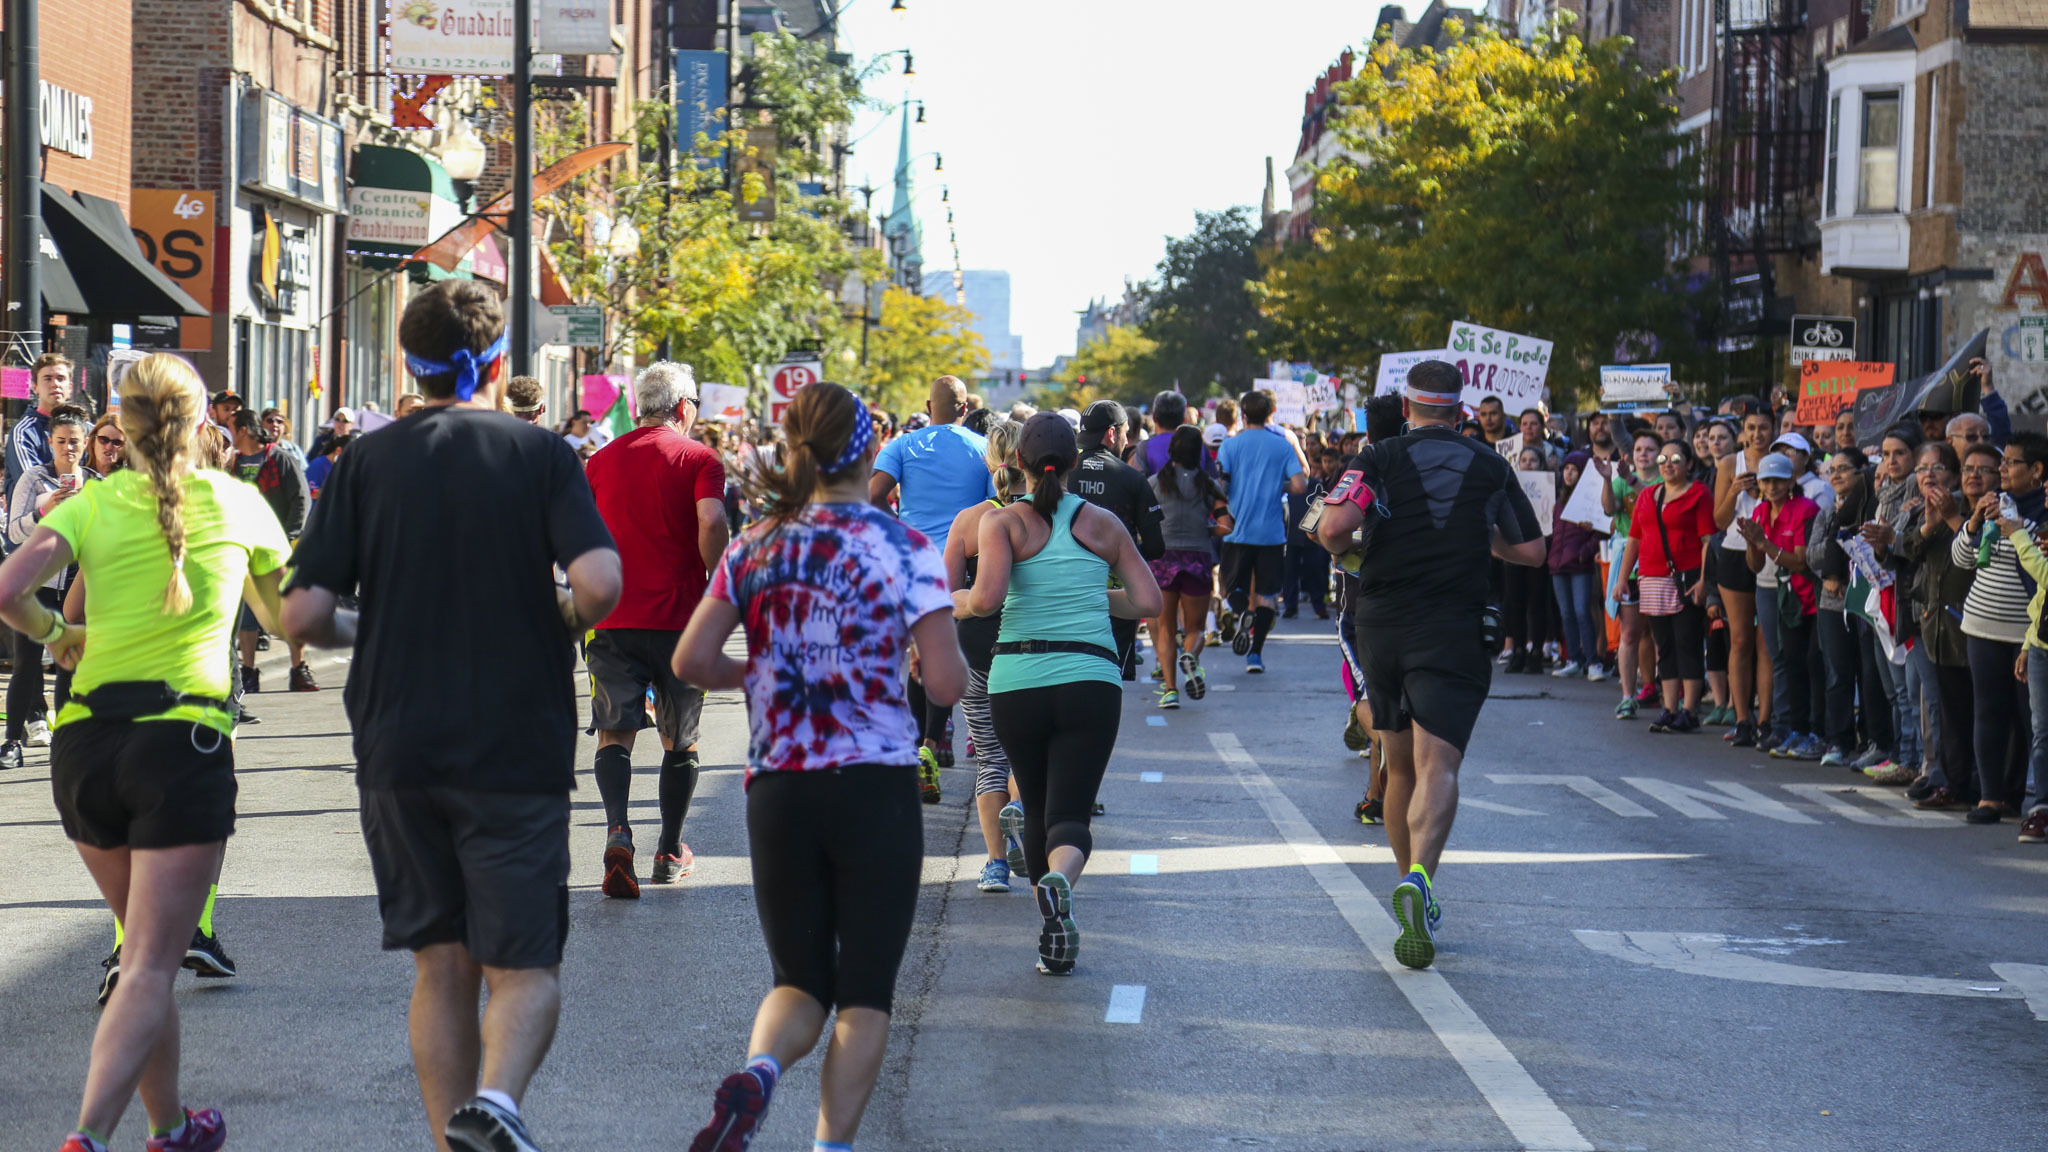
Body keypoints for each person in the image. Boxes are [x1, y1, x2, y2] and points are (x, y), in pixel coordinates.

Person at [282, 280, 623, 1152]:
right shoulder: (542, 455)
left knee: (441, 966)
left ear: (409, 362)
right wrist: (561, 616)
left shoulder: (363, 461)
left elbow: (305, 616)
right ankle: (500, 1103)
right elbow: (600, 586)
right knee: (526, 965)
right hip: (513, 741)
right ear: (497, 362)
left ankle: (454, 1142)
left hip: (399, 740)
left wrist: (371, 622)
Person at [4, 353, 291, 1152]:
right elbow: (295, 622)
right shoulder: (236, 504)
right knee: (149, 964)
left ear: (117, 427)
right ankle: (88, 1136)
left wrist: (60, 636)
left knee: (146, 952)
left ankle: (170, 1127)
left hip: (85, 746)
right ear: (207, 426)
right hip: (182, 743)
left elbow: (4, 591)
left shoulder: (89, 507)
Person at [671, 382, 965, 1152]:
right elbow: (944, 684)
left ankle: (762, 1071)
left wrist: (767, 669)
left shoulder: (756, 543)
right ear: (870, 451)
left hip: (780, 786)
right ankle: (828, 1146)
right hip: (876, 784)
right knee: (865, 992)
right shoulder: (905, 547)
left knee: (798, 981)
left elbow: (692, 658)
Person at [1314, 361, 1544, 970]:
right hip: (1453, 627)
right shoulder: (1490, 464)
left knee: (1396, 762)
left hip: (1382, 625)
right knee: (1437, 763)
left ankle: (1408, 887)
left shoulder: (1380, 458)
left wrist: (1352, 544)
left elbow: (1332, 527)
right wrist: (1474, 535)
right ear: (1459, 407)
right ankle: (1421, 878)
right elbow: (1531, 549)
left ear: (1409, 404)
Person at [966, 412, 1161, 975]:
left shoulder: (1001, 523)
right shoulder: (1102, 523)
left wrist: (955, 602)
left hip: (1017, 679)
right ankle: (1061, 880)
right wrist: (1100, 597)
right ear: (1075, 463)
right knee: (1071, 811)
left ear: (1016, 463)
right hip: (1090, 678)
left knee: (1031, 799)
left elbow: (987, 599)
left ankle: (1049, 925)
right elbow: (1148, 603)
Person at [581, 361, 728, 897]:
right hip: (682, 621)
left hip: (611, 616)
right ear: (685, 408)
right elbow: (711, 521)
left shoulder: (601, 460)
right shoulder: (699, 458)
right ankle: (669, 849)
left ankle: (619, 829)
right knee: (678, 739)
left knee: (613, 730)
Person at [872, 375, 993, 795]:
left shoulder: (903, 444)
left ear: (928, 405)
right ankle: (929, 742)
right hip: (960, 566)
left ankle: (917, 748)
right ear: (964, 409)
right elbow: (996, 508)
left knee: (916, 656)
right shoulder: (982, 449)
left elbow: (872, 496)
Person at [942, 417, 1030, 891]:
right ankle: (1021, 807)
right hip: (1033, 652)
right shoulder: (1045, 516)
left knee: (990, 759)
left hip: (977, 653)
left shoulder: (970, 521)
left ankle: (996, 863)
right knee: (1027, 754)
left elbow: (944, 593)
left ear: (989, 460)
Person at [1952, 433, 2048, 825]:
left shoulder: (2041, 514)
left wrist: (2017, 528)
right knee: (1988, 711)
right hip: (1983, 624)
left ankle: (2023, 795)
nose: (2002, 470)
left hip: (2029, 630)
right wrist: (1975, 521)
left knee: (2031, 721)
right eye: (2003, 462)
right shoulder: (1994, 506)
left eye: (2011, 463)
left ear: (2037, 470)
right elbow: (1962, 560)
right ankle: (1991, 797)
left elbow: (2039, 573)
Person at [2, 404, 94, 768]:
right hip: (36, 582)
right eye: (60, 441)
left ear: (84, 444)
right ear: (49, 442)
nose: (68, 448)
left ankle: (67, 743)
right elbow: (13, 531)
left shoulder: (95, 484)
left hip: (74, 585)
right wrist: (46, 510)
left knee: (69, 664)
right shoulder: (34, 480)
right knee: (26, 663)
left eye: (74, 441)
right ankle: (11, 742)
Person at [1620, 438, 1716, 734]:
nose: (1668, 465)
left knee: (1687, 643)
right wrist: (1623, 578)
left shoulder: (1698, 493)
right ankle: (1670, 708)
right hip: (1650, 579)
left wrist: (1704, 580)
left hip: (1685, 579)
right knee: (1665, 647)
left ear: (1688, 463)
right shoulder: (1648, 496)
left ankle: (1689, 710)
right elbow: (1634, 539)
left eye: (1675, 459)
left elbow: (1707, 541)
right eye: (1663, 460)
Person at [1900, 442, 1975, 807]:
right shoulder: (1920, 509)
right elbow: (1910, 551)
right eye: (1922, 468)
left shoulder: (1968, 506)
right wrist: (1929, 524)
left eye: (1938, 468)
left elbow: (1974, 557)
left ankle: (1971, 783)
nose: (1929, 475)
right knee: (1943, 707)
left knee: (1969, 710)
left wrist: (1948, 518)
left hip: (1969, 622)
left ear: (1954, 475)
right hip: (1935, 622)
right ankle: (1947, 778)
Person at [1216, 389, 1308, 673]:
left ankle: (1244, 613)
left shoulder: (1230, 445)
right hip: (1271, 532)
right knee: (1267, 594)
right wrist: (1274, 486)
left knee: (1232, 587)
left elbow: (1222, 484)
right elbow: (1300, 485)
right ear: (1271, 414)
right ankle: (1255, 655)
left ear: (1243, 415)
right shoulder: (1281, 445)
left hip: (1238, 529)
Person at [1072, 400, 1165, 680]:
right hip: (1115, 596)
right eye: (1126, 432)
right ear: (1112, 434)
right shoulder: (1132, 479)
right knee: (1110, 675)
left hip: (1063, 588)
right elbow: (1155, 547)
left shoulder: (1063, 476)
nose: (1126, 440)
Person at [1740, 453, 1823, 758]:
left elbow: (1801, 562)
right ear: (1759, 483)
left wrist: (1764, 543)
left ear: (1791, 482)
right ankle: (1791, 727)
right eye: (1766, 480)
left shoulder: (1805, 508)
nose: (1772, 486)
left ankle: (1814, 730)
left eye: (1778, 480)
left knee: (1812, 664)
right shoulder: (1760, 510)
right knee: (1787, 660)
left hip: (1810, 596)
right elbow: (1755, 564)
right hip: (1783, 595)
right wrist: (1753, 543)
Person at [1147, 425, 1233, 709]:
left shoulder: (1156, 482)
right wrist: (1204, 530)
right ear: (1199, 452)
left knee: (1165, 629)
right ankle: (1191, 657)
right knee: (1195, 627)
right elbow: (1225, 526)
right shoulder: (1209, 485)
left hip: (1162, 560)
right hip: (1197, 559)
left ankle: (1170, 690)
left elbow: (1144, 525)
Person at [230, 410, 316, 693]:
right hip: (243, 548)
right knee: (247, 615)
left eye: (232, 426)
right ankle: (249, 670)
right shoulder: (233, 463)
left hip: (278, 549)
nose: (229, 432)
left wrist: (289, 537)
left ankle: (298, 668)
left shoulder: (280, 459)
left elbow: (301, 499)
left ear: (243, 430)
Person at [1712, 400, 1774, 746]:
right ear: (1742, 431)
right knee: (1739, 639)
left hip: (1768, 551)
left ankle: (1765, 718)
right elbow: (1718, 521)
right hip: (1734, 553)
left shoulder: (1781, 460)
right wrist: (1736, 490)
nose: (1757, 434)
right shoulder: (1727, 465)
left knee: (1766, 642)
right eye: (1751, 428)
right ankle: (1742, 717)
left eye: (1763, 427)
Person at [1601, 430, 1661, 717]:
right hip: (1630, 564)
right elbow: (1609, 510)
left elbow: (1655, 504)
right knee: (1630, 632)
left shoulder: (1664, 481)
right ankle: (1628, 694)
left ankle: (1657, 686)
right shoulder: (1621, 480)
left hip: (1661, 564)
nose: (1643, 454)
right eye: (1639, 449)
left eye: (1650, 449)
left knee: (1658, 632)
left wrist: (1630, 480)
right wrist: (1606, 479)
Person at [1549, 452, 1605, 679]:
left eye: (1574, 469)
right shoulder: (1558, 502)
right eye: (1566, 468)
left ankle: (1593, 661)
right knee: (1566, 613)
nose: (1568, 473)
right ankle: (1573, 658)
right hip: (1557, 564)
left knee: (1582, 611)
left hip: (1579, 564)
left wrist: (1585, 552)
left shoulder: (1591, 500)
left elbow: (1600, 531)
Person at [1283, 448, 1338, 620]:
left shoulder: (1316, 485)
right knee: (1290, 572)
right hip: (1290, 535)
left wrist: (1312, 529)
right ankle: (1290, 606)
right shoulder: (1285, 484)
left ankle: (1318, 605)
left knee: (1315, 573)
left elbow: (1320, 505)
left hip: (1311, 536)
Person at [1142, 390, 1188, 475]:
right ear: (1184, 420)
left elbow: (1134, 482)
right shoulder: (1200, 447)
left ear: (1154, 418)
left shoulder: (1143, 448)